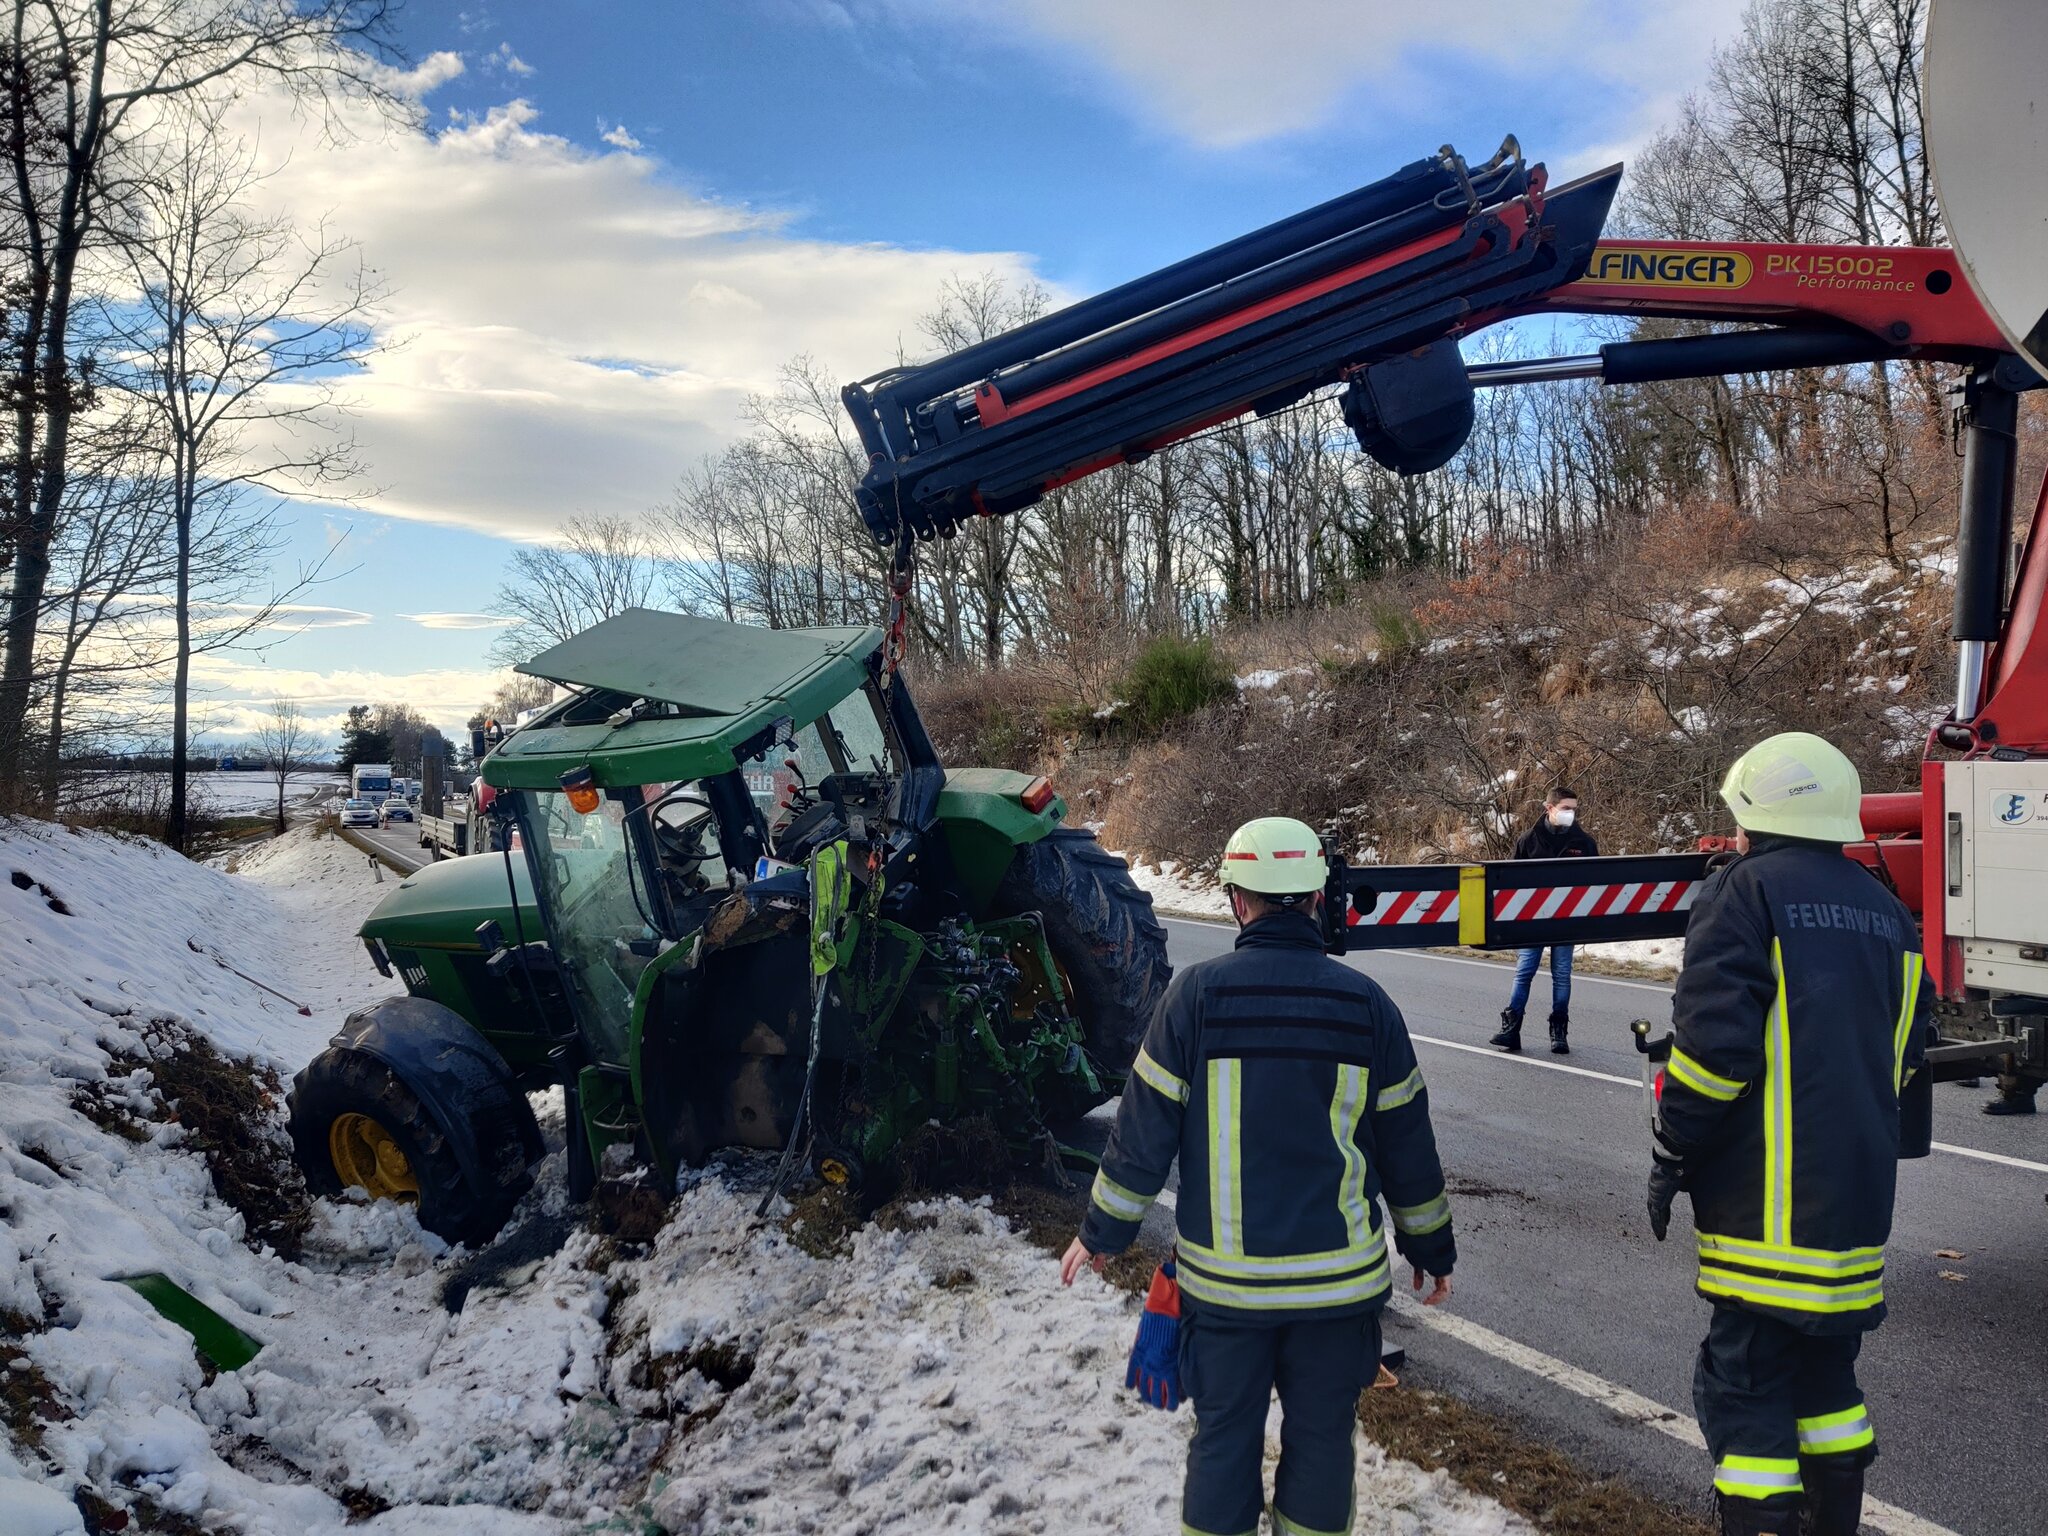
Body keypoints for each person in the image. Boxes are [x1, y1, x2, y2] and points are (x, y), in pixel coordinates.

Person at [1060, 816, 1457, 1536]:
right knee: (1323, 1446)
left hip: (1226, 1294)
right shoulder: (1368, 1007)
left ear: (1237, 900)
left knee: (1223, 1446)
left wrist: (1101, 1233)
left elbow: (1141, 1134)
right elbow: (1409, 1150)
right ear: (1315, 897)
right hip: (1338, 1296)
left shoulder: (1195, 999)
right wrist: (1432, 1250)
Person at [1647, 733, 1930, 1536]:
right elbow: (1906, 1057)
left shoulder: (1744, 895)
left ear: (1759, 817)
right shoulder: (1885, 912)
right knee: (1829, 1390)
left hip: (1763, 1218)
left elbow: (1710, 1060)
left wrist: (1671, 1152)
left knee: (1745, 1395)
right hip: (1853, 1217)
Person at [1490, 785, 1599, 1055]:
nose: (1571, 814)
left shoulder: (1583, 843)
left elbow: (1597, 882)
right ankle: (1511, 1029)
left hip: (1567, 920)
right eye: (1565, 809)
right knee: (1524, 972)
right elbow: (1511, 882)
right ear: (1549, 808)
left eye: (1574, 809)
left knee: (1562, 975)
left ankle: (1559, 1031)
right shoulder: (1528, 840)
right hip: (1532, 920)